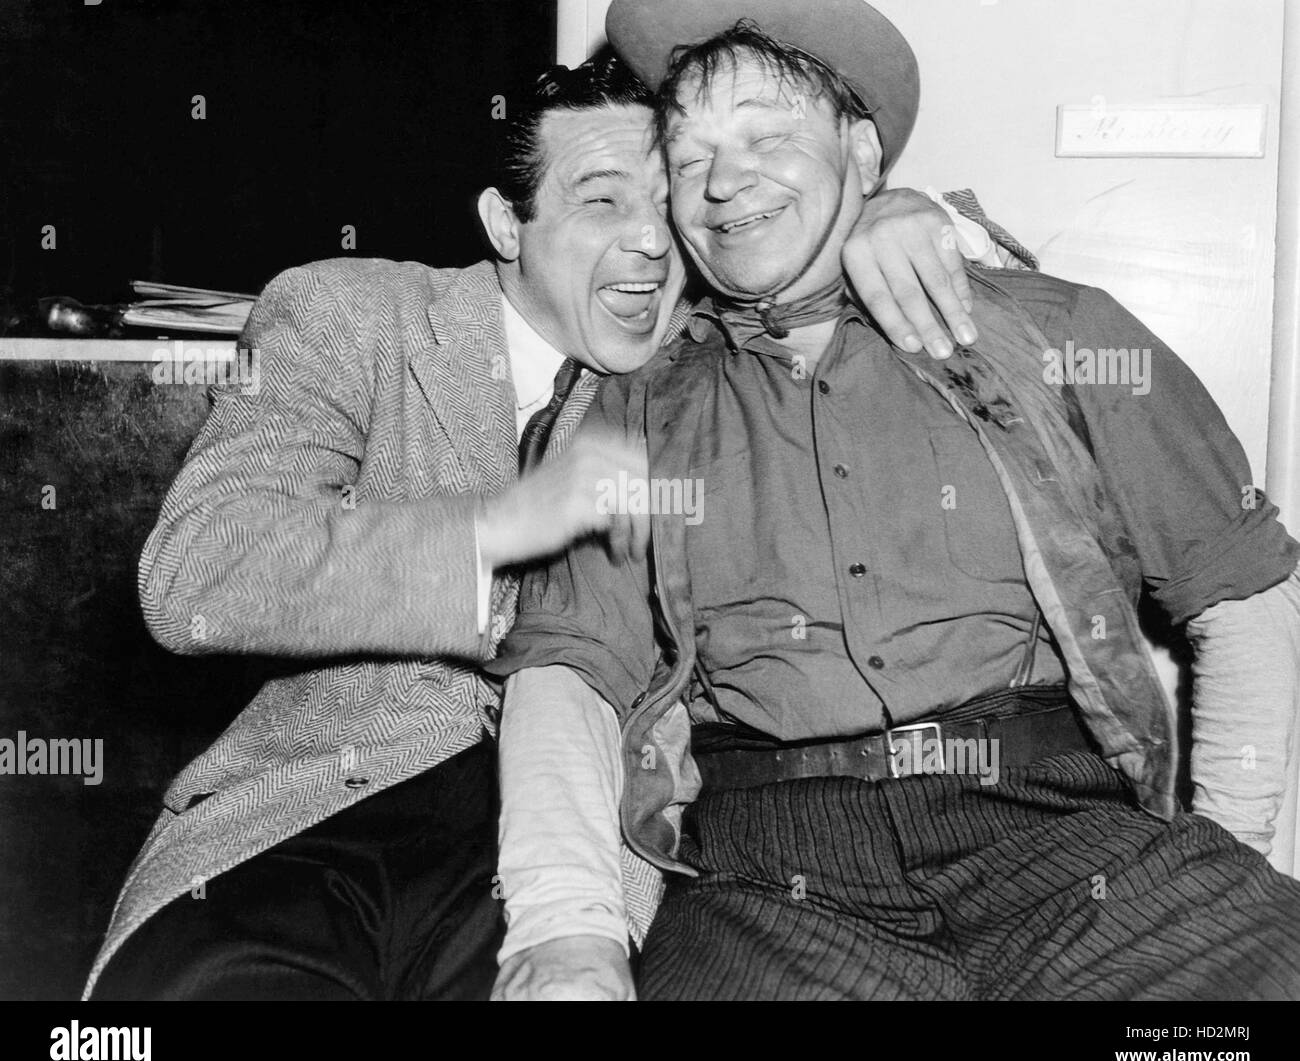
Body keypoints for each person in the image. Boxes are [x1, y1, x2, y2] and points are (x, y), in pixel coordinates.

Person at [84, 47, 1000, 1000]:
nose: (653, 242)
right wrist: (501, 526)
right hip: (317, 819)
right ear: (505, 224)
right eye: (602, 200)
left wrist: (910, 214)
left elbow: (915, 257)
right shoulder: (357, 316)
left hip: (590, 856)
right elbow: (194, 575)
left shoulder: (720, 344)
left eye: (669, 198)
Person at [488, 0, 1300, 1001]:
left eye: (766, 137)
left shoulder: (1058, 334)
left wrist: (1216, 858)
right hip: (770, 888)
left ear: (864, 153)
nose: (721, 185)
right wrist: (564, 929)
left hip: (1066, 838)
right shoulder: (632, 406)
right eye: (688, 159)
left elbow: (1242, 589)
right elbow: (567, 674)